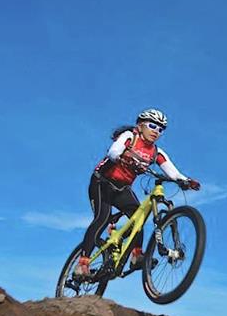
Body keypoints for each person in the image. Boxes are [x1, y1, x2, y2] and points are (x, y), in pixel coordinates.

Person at [75, 108, 201, 277]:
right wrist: (122, 157)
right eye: (152, 126)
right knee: (102, 218)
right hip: (101, 183)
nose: (156, 131)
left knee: (139, 218)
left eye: (160, 129)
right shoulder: (130, 136)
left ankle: (136, 255)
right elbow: (113, 152)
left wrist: (186, 181)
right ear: (140, 125)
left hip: (122, 189)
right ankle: (82, 263)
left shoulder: (156, 152)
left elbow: (173, 172)